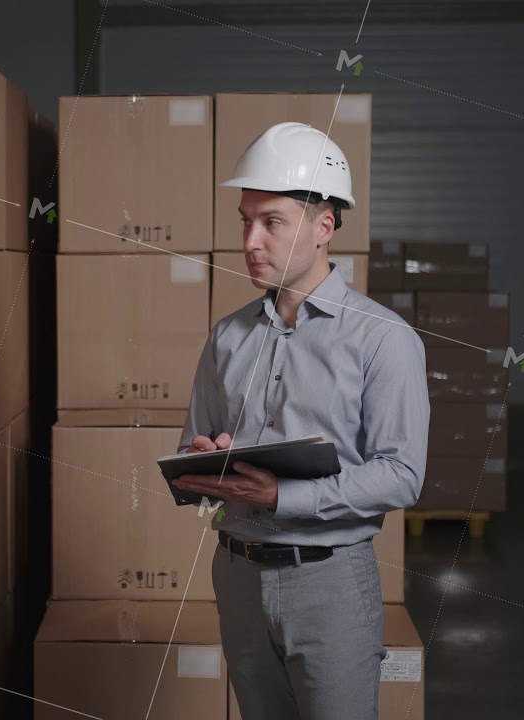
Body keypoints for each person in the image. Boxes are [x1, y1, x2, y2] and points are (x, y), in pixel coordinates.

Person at [170, 121, 431, 720]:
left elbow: (401, 475)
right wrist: (202, 462)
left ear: (324, 228)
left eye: (272, 222)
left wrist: (281, 493)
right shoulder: (228, 337)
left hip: (329, 584)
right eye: (245, 220)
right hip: (236, 575)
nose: (250, 241)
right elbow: (191, 446)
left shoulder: (383, 340)